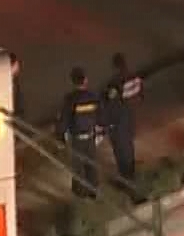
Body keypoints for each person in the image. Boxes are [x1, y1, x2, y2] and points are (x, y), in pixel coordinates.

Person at [58, 68, 103, 199]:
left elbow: (64, 119)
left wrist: (60, 137)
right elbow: (100, 116)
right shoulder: (93, 97)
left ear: (73, 82)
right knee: (91, 164)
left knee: (77, 166)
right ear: (85, 80)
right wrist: (101, 129)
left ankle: (79, 193)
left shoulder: (70, 99)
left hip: (76, 139)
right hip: (90, 136)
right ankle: (93, 192)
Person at [104, 53, 144, 194]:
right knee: (129, 151)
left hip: (119, 123)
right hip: (131, 120)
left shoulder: (115, 83)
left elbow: (110, 104)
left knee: (121, 153)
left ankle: (127, 182)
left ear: (115, 66)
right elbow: (140, 97)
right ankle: (129, 178)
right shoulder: (136, 78)